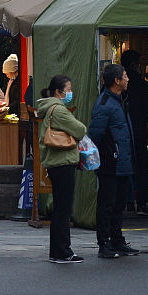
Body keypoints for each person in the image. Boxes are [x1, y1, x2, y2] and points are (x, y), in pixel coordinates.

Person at [87, 63, 139, 259]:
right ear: (116, 81)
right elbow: (94, 136)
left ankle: (118, 240)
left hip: (123, 161)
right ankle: (104, 243)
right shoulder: (105, 104)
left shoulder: (118, 101)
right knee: (106, 204)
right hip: (110, 162)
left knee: (119, 204)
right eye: (125, 76)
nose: (128, 79)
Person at [34, 75, 88, 264]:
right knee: (63, 210)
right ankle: (63, 251)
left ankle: (57, 251)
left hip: (55, 164)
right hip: (63, 162)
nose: (70, 93)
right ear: (58, 92)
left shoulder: (48, 108)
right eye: (68, 89)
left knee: (59, 209)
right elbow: (80, 130)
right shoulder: (59, 110)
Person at [120, 50, 148, 217]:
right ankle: (141, 203)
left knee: (123, 165)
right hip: (139, 129)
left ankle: (126, 202)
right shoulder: (140, 82)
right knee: (141, 165)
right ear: (134, 64)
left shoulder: (116, 84)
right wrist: (141, 120)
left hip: (121, 131)